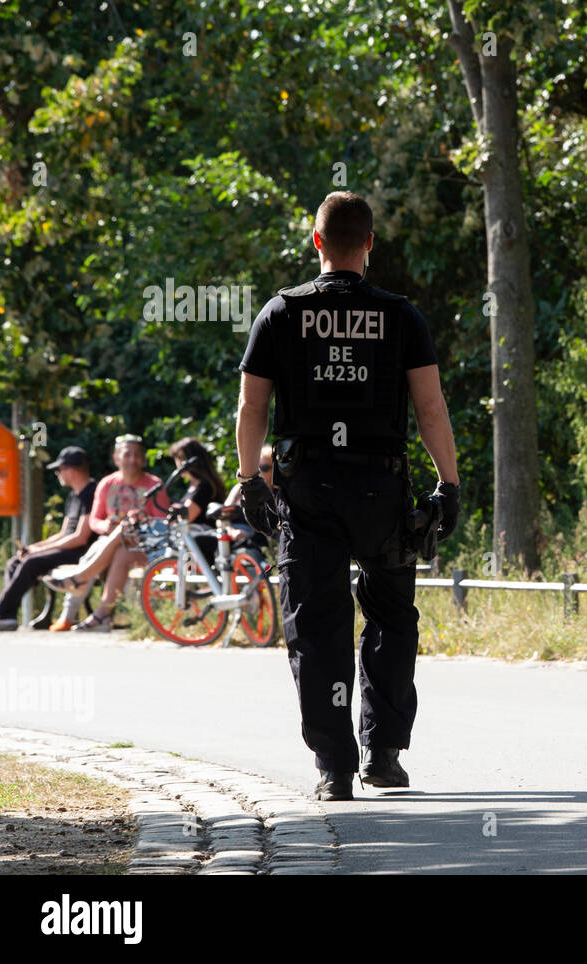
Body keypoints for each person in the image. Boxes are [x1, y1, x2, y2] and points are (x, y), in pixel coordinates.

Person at [235, 190, 461, 802]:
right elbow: (430, 407)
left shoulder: (281, 314)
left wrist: (249, 480)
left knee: (317, 622)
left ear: (316, 243)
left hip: (308, 490)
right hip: (381, 489)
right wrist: (449, 484)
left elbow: (252, 406)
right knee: (390, 617)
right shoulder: (401, 317)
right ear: (368, 244)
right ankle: (384, 754)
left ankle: (334, 766)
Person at [43, 435, 168, 632]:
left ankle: (79, 581)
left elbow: (162, 523)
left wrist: (138, 522)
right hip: (113, 544)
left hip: (143, 546)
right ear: (116, 457)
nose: (132, 460)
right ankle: (93, 614)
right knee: (108, 546)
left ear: (143, 459)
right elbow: (95, 520)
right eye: (127, 454)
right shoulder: (107, 484)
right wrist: (106, 526)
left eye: (137, 455)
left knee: (118, 536)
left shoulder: (154, 484)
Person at [0, 447, 97, 631]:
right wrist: (35, 547)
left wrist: (39, 551)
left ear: (71, 470)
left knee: (31, 562)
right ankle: (6, 615)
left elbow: (80, 538)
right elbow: (65, 533)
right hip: (68, 548)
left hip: (82, 552)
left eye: (59, 470)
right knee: (15, 562)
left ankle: (2, 613)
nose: (58, 474)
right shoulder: (74, 495)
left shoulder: (91, 493)